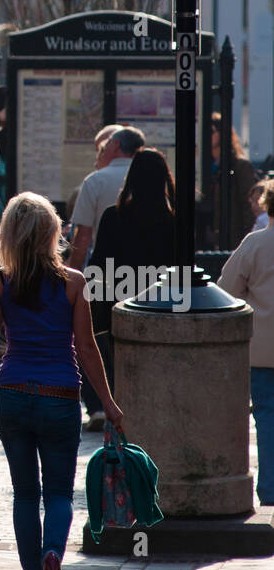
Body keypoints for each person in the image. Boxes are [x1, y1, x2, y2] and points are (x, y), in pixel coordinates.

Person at [0, 192, 122, 570]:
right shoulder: (74, 282)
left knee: (25, 495)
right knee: (59, 493)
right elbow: (87, 350)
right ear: (52, 234)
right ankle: (53, 555)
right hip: (60, 396)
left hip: (14, 395)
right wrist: (109, 403)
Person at [84, 148, 177, 431]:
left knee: (120, 370)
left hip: (120, 309)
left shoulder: (115, 217)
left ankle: (118, 419)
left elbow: (98, 265)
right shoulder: (175, 221)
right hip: (163, 309)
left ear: (132, 178)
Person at [218, 179, 274, 505]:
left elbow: (226, 290)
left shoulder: (254, 244)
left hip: (262, 349)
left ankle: (269, 489)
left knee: (266, 418)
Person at [68, 126, 146, 271]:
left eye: (107, 143)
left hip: (109, 269)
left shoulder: (95, 181)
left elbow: (83, 236)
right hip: (149, 269)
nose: (102, 149)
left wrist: (74, 272)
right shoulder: (151, 178)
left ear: (116, 145)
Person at [210, 113, 258, 249]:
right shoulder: (202, 165)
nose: (206, 134)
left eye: (212, 131)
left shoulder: (240, 165)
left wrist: (247, 242)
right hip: (207, 235)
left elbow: (248, 206)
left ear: (222, 133)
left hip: (232, 239)